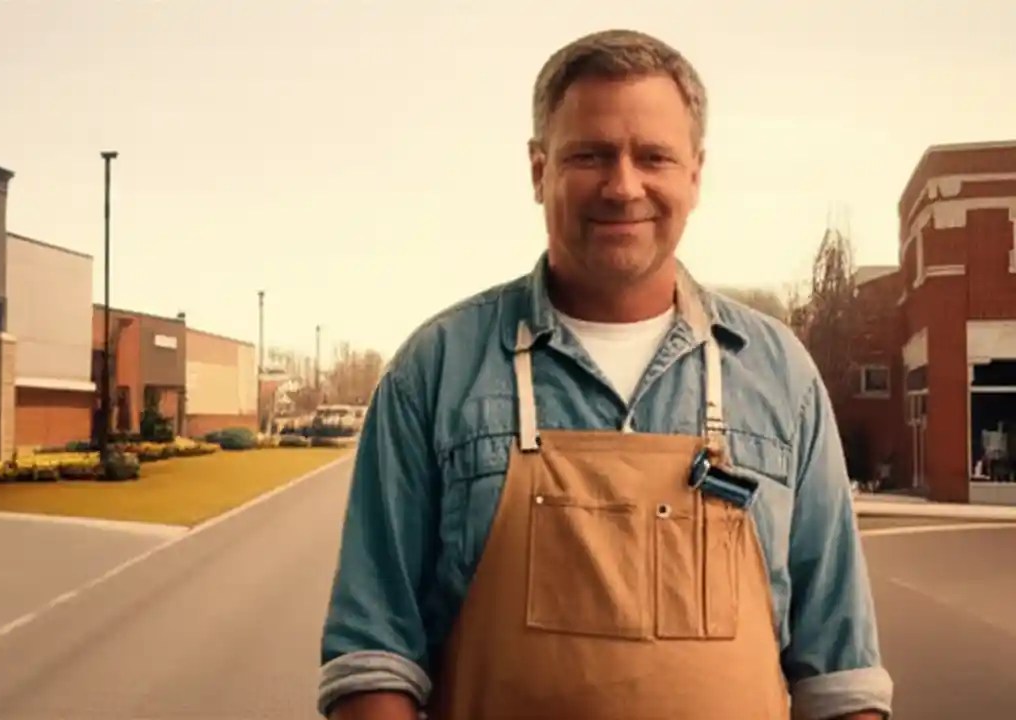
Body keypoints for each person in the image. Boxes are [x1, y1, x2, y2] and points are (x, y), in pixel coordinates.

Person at [317, 28, 893, 720]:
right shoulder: (434, 372)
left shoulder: (778, 376)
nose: (624, 186)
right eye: (591, 155)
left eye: (653, 156)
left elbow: (842, 677)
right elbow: (373, 660)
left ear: (695, 175)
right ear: (538, 170)